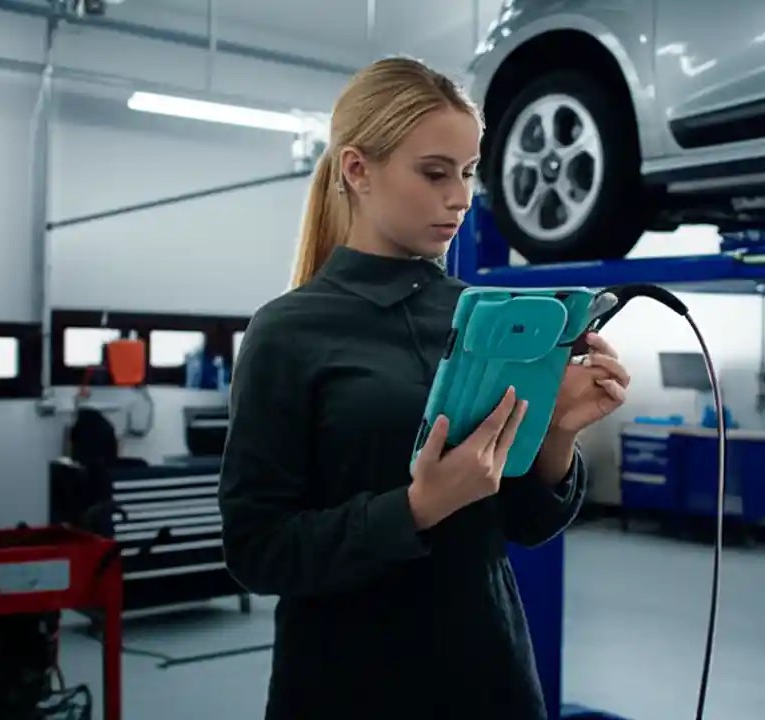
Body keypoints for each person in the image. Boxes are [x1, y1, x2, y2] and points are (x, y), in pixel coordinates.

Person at [218, 56, 632, 720]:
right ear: (358, 170)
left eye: (468, 174)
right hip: (346, 686)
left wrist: (557, 433)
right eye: (435, 173)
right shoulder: (286, 334)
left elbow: (523, 525)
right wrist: (413, 508)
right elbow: (257, 550)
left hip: (488, 674)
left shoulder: (483, 319)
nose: (462, 198)